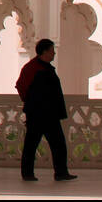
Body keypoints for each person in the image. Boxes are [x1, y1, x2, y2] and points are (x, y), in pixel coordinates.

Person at [15, 39, 77, 181]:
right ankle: (28, 173)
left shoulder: (46, 67)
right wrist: (31, 104)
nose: (54, 53)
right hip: (37, 114)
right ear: (44, 51)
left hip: (50, 114)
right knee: (31, 144)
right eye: (51, 50)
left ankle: (61, 172)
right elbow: (21, 86)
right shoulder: (32, 68)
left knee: (58, 144)